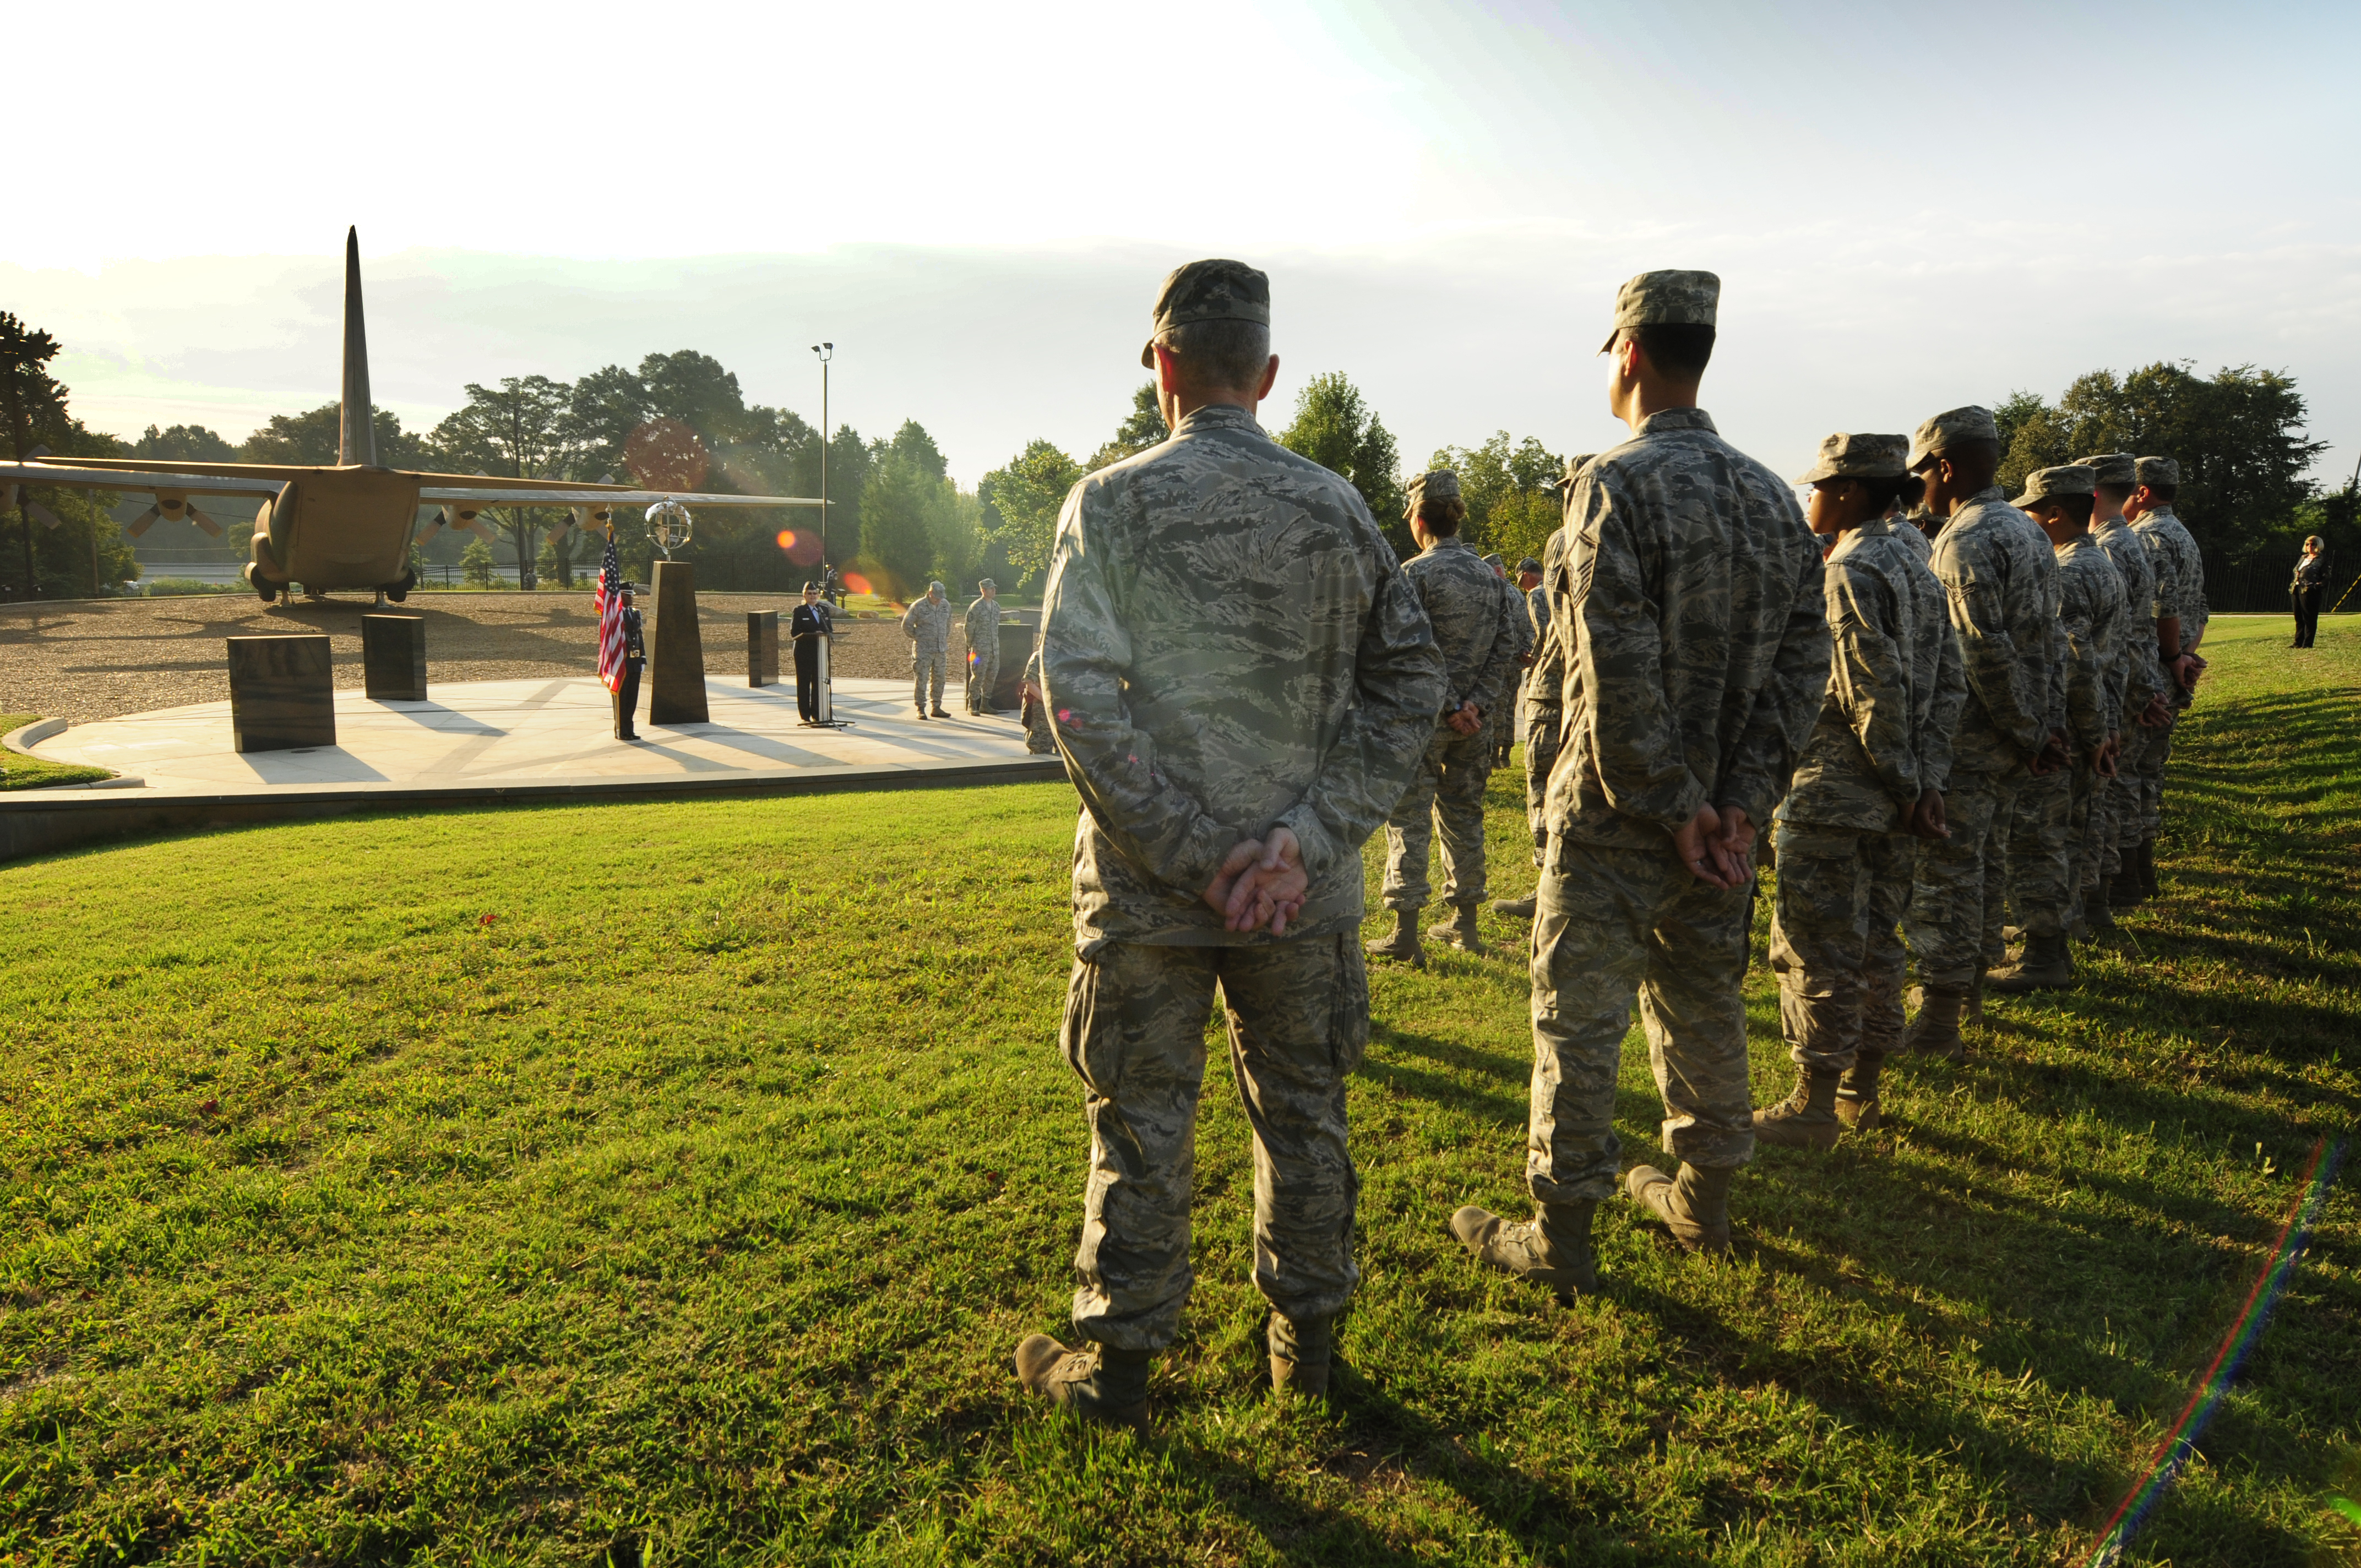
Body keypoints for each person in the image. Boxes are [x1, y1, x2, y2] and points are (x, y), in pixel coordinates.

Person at [1014, 258, 1445, 1422]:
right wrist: (1297, 844)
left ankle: (1118, 1370)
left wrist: (1202, 854)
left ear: (1159, 363)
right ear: (1264, 373)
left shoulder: (1109, 501)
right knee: (1304, 1116)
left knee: (1142, 1124)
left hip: (1152, 896)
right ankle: (1303, 1355)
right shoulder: (1337, 504)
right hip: (1298, 898)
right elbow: (1409, 683)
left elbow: (1073, 694)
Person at [1451, 268, 1827, 1297]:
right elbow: (1803, 671)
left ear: (1627, 352)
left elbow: (1608, 668)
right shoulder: (1771, 498)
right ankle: (1702, 1202)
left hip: (1620, 817)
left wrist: (1674, 808)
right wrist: (1735, 806)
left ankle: (1557, 1235)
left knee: (1578, 1019)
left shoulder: (1612, 483)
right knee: (1703, 1000)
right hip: (1722, 822)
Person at [1756, 434, 1962, 1147]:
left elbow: (1868, 691)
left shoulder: (1850, 567)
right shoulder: (1919, 559)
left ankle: (1812, 1105)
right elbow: (1949, 683)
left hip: (1836, 795)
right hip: (1895, 804)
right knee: (1878, 945)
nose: (1810, 497)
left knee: (1816, 947)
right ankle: (1858, 1093)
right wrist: (1925, 786)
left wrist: (1906, 785)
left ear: (1847, 491)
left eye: (1818, 485)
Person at [1895, 407, 2064, 1059]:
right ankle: (1965, 991)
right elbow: (2046, 640)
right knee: (1985, 866)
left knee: (1945, 876)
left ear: (1945, 467)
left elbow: (1978, 652)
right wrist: (2040, 727)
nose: (1921, 489)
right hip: (2012, 735)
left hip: (1971, 737)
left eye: (1924, 474)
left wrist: (2027, 729)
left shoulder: (1964, 540)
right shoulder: (2024, 532)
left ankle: (1939, 1020)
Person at [1368, 473, 1520, 965]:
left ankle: (1405, 933)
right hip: (1474, 726)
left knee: (1408, 820)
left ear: (1418, 518)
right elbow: (1510, 647)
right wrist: (1478, 703)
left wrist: (1454, 703)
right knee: (1464, 816)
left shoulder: (1415, 574)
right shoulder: (1491, 579)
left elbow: (1412, 648)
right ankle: (1465, 924)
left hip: (1423, 721)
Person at [1988, 465, 2124, 993]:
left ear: (2055, 514)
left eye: (2030, 509)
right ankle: (2051, 940)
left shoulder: (2067, 572)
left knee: (2038, 843)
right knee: (2065, 838)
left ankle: (2043, 958)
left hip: (2066, 723)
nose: (2022, 518)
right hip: (2091, 716)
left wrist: (2091, 733)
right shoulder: (2098, 562)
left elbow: (2076, 658)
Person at [2076, 453, 2169, 932]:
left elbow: (2116, 636)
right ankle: (2110, 896)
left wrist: (2136, 695)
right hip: (2131, 683)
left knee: (2100, 804)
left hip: (2115, 688)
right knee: (2113, 798)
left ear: (2089, 493)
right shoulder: (2126, 542)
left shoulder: (2106, 548)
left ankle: (2096, 905)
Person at [2120, 456, 2206, 903]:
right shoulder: (2182, 534)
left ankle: (2126, 880)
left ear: (2142, 493)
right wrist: (2186, 658)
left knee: (2127, 776)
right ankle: (2145, 875)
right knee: (2150, 774)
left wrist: (2173, 657)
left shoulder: (2146, 537)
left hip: (2150, 675)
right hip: (2172, 673)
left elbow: (2163, 608)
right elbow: (2202, 608)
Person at [1493, 536, 1572, 921]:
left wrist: (1536, 661)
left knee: (1543, 784)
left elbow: (1546, 636)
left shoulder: (1541, 592)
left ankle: (1547, 886)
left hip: (1554, 691)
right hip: (1589, 694)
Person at [1482, 551, 1529, 767]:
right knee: (1510, 707)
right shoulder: (1519, 594)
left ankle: (1495, 756)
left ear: (1498, 571)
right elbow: (1528, 627)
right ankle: (1506, 755)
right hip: (1517, 661)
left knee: (1497, 708)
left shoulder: (1500, 593)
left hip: (1503, 661)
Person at [902, 580, 954, 718]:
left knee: (939, 679)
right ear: (930, 593)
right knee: (922, 679)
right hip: (923, 650)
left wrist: (942, 637)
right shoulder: (919, 606)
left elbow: (948, 623)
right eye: (936, 597)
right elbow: (906, 625)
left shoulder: (945, 605)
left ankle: (936, 707)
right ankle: (920, 708)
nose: (938, 600)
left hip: (940, 650)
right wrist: (919, 637)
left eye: (940, 597)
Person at [790, 582, 832, 724]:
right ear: (804, 596)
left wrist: (824, 633)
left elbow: (830, 630)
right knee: (804, 683)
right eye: (810, 594)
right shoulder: (799, 611)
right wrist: (812, 633)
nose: (813, 596)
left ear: (818, 595)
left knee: (818, 682)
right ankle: (805, 715)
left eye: (815, 593)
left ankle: (817, 712)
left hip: (819, 652)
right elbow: (794, 632)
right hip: (804, 653)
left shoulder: (824, 610)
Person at [965, 578, 1004, 714]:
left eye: (994, 588)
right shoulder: (976, 607)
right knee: (978, 676)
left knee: (991, 676)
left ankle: (985, 704)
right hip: (979, 649)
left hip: (994, 649)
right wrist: (972, 645)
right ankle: (973, 704)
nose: (994, 591)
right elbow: (969, 628)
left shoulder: (996, 607)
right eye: (990, 589)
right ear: (983, 590)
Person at [612, 584, 645, 741]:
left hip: (634, 660)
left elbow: (639, 636)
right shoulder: (615, 615)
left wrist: (643, 658)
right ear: (621, 596)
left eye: (631, 595)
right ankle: (621, 730)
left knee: (632, 697)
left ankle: (630, 730)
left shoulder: (635, 613)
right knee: (622, 697)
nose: (632, 598)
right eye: (628, 595)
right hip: (622, 661)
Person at [2292, 535, 2331, 648]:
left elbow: (2327, 576)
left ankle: (2308, 644)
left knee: (2309, 618)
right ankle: (2298, 642)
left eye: (2313, 544)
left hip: (2310, 591)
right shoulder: (2303, 558)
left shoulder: (2322, 560)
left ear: (2318, 545)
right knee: (2299, 617)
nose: (2310, 546)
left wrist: (2316, 586)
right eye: (2308, 544)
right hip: (2297, 589)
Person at [1019, 645, 1056, 754]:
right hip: (1042, 717)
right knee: (1040, 752)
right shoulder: (1039, 657)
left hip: (1067, 718)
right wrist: (1048, 701)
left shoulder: (1072, 658)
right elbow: (1029, 684)